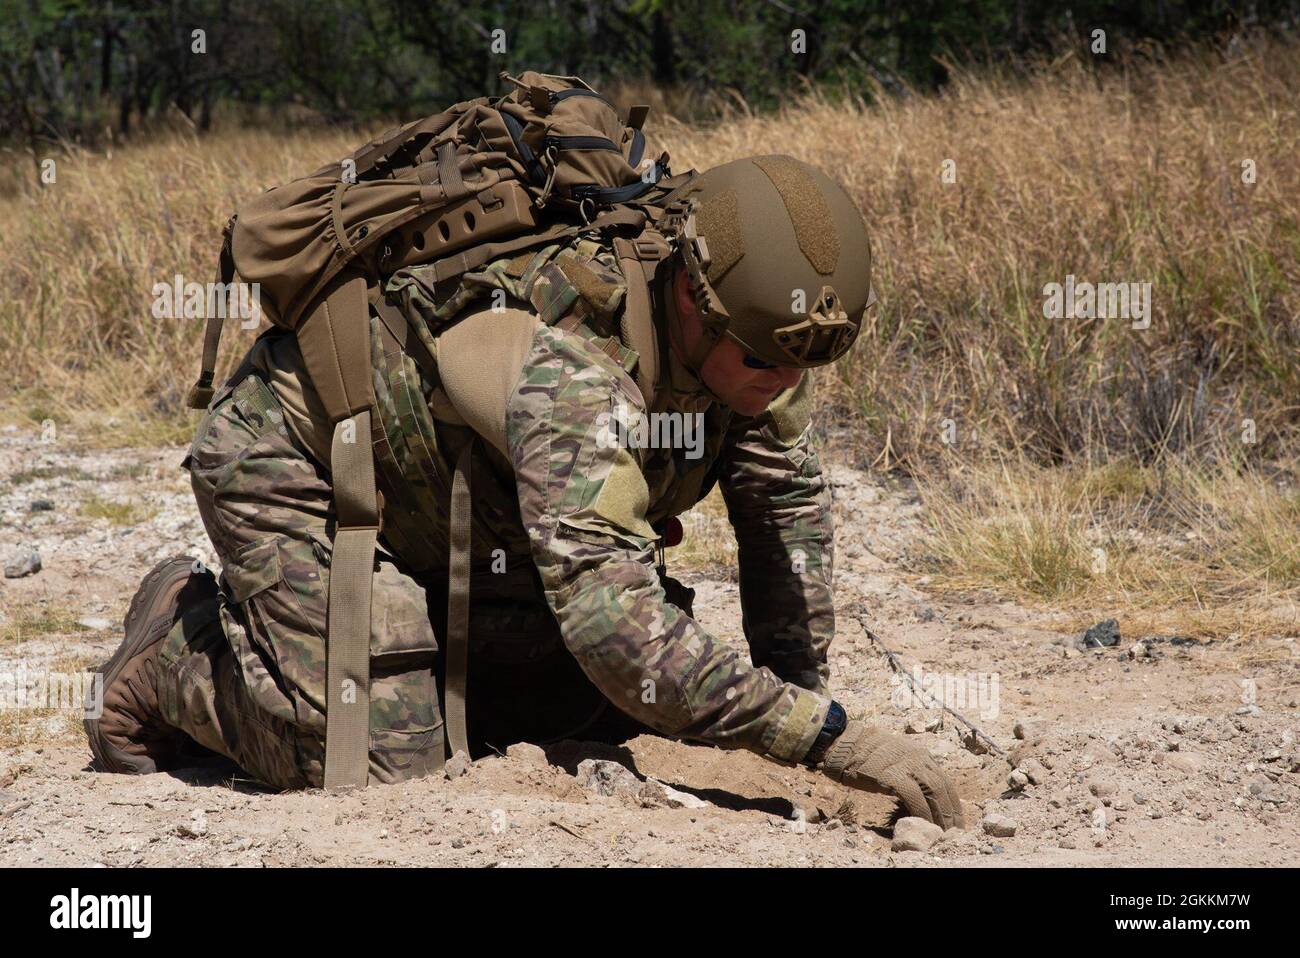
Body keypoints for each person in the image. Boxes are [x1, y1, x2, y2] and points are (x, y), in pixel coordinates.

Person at [85, 153, 963, 828]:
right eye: (765, 359)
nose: (783, 380)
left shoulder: (758, 339)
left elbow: (784, 513)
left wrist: (804, 701)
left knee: (574, 716)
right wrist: (830, 739)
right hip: (301, 463)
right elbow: (621, 637)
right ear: (692, 295)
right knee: (384, 757)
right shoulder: (576, 370)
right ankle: (175, 654)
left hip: (465, 503)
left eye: (811, 363)